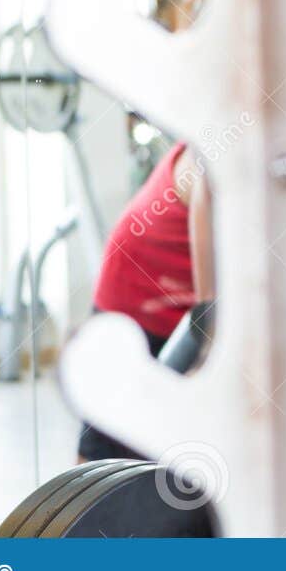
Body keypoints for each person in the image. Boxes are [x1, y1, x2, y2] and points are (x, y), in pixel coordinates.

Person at [76, 142, 214, 461]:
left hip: (184, 295)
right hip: (135, 293)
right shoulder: (216, 153)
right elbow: (210, 310)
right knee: (104, 457)